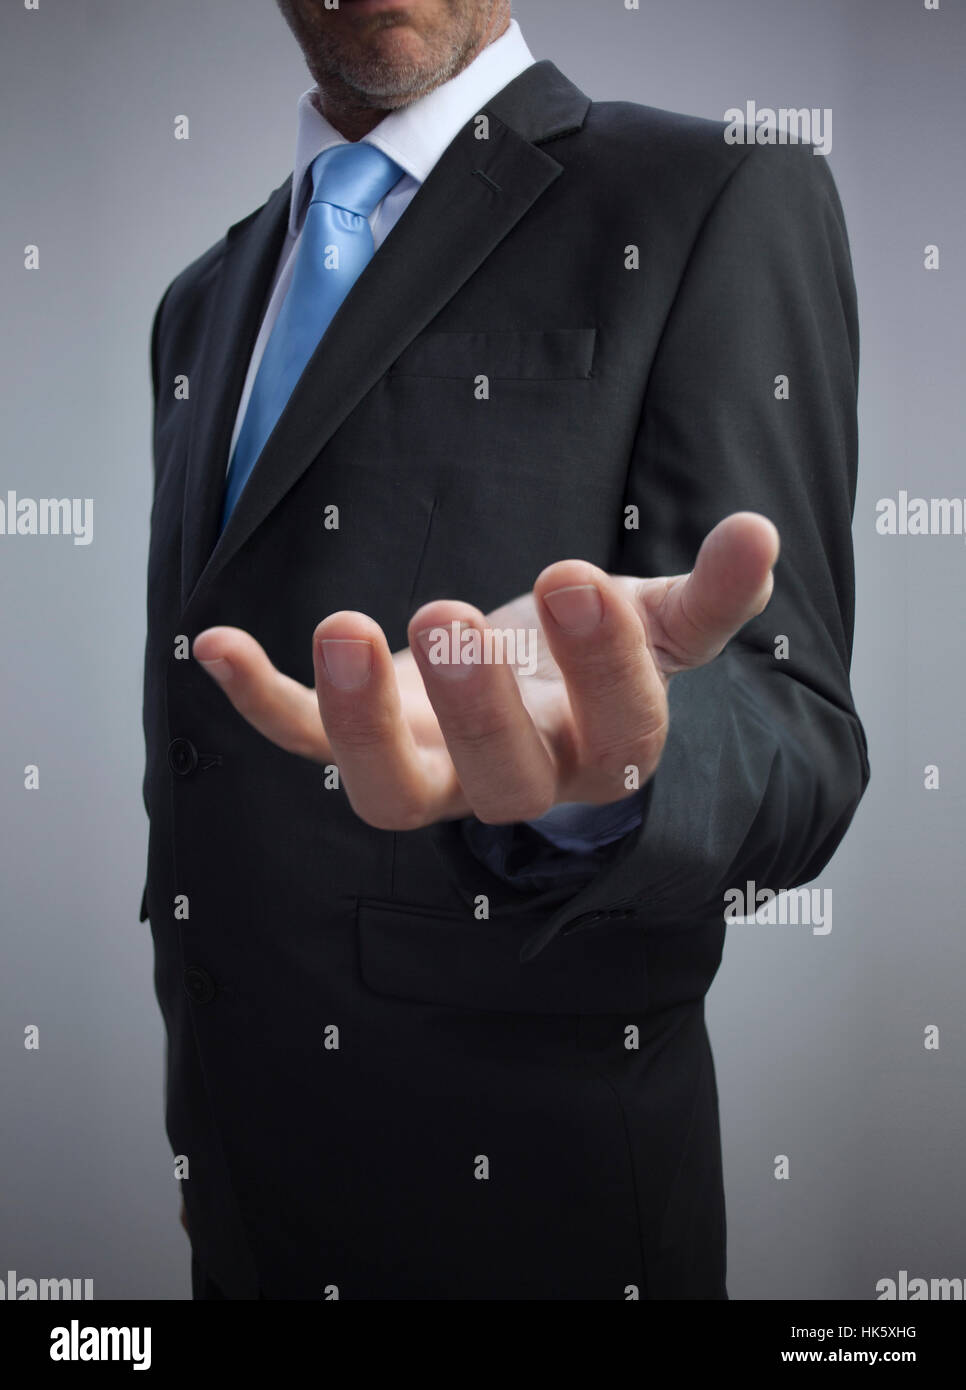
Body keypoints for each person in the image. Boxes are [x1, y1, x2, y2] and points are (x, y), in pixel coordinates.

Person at [142, 0, 868, 1299]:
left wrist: (613, 763)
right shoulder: (201, 304)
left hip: (531, 1209)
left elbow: (793, 727)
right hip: (238, 1181)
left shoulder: (719, 194)